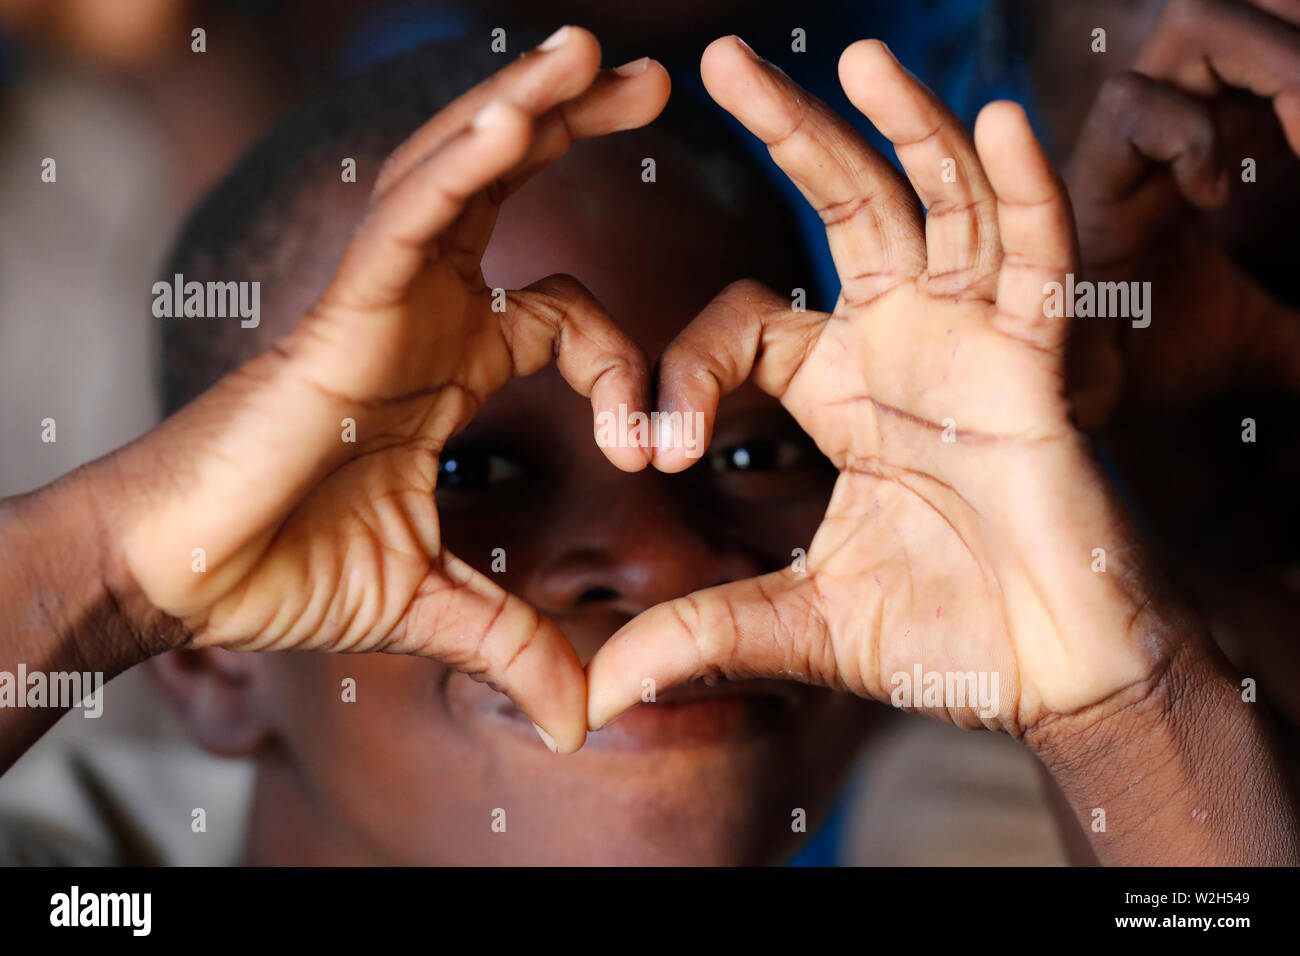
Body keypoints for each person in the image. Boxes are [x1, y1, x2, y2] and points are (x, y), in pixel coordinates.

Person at [0, 25, 1295, 865]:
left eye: (752, 456)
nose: (659, 555)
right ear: (216, 655)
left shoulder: (970, 825)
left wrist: (1125, 708)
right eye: (470, 473)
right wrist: (104, 572)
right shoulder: (79, 865)